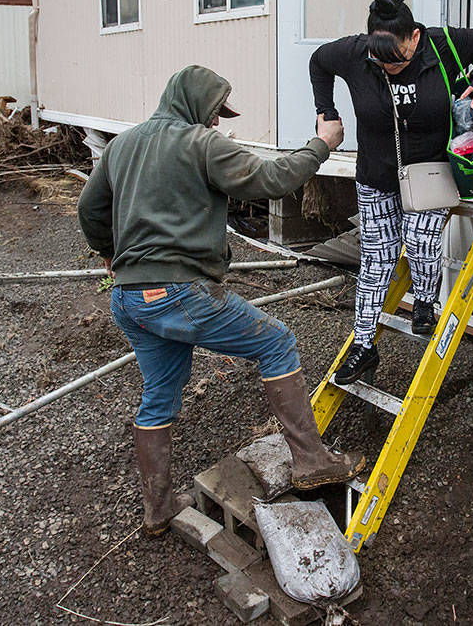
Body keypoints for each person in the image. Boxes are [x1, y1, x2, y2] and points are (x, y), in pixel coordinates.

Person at [78, 65, 365, 537]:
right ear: (194, 104)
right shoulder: (200, 143)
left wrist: (110, 253)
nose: (215, 121)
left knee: (159, 395)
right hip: (179, 293)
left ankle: (158, 509)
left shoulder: (122, 146)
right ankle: (312, 461)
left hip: (130, 298)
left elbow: (90, 209)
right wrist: (322, 144)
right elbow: (273, 179)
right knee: (276, 342)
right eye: (214, 112)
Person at [309, 0, 473, 385]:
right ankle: (363, 346)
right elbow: (318, 62)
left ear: (414, 37)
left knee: (419, 242)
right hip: (377, 176)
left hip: (431, 173)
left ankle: (426, 301)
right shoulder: (355, 53)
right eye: (380, 61)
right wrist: (325, 110)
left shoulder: (439, 44)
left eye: (397, 59)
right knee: (375, 261)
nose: (388, 67)